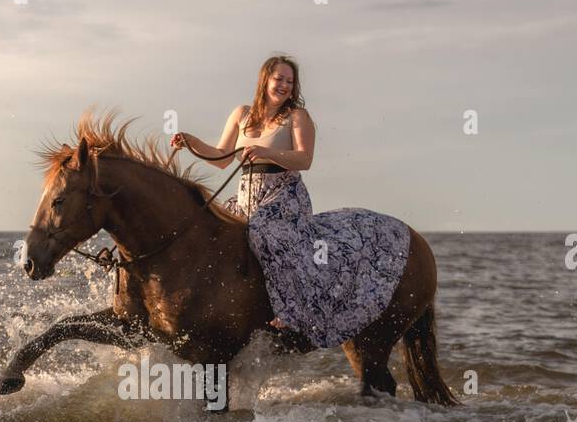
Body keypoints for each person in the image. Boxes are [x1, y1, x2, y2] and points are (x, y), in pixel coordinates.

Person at [171, 54, 412, 349]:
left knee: (261, 232)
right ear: (265, 80)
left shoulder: (297, 117)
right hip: (247, 196)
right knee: (209, 227)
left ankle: (287, 316)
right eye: (279, 79)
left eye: (289, 81)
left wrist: (266, 152)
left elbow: (304, 159)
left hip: (283, 196)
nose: (284, 85)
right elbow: (221, 157)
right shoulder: (241, 114)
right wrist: (190, 142)